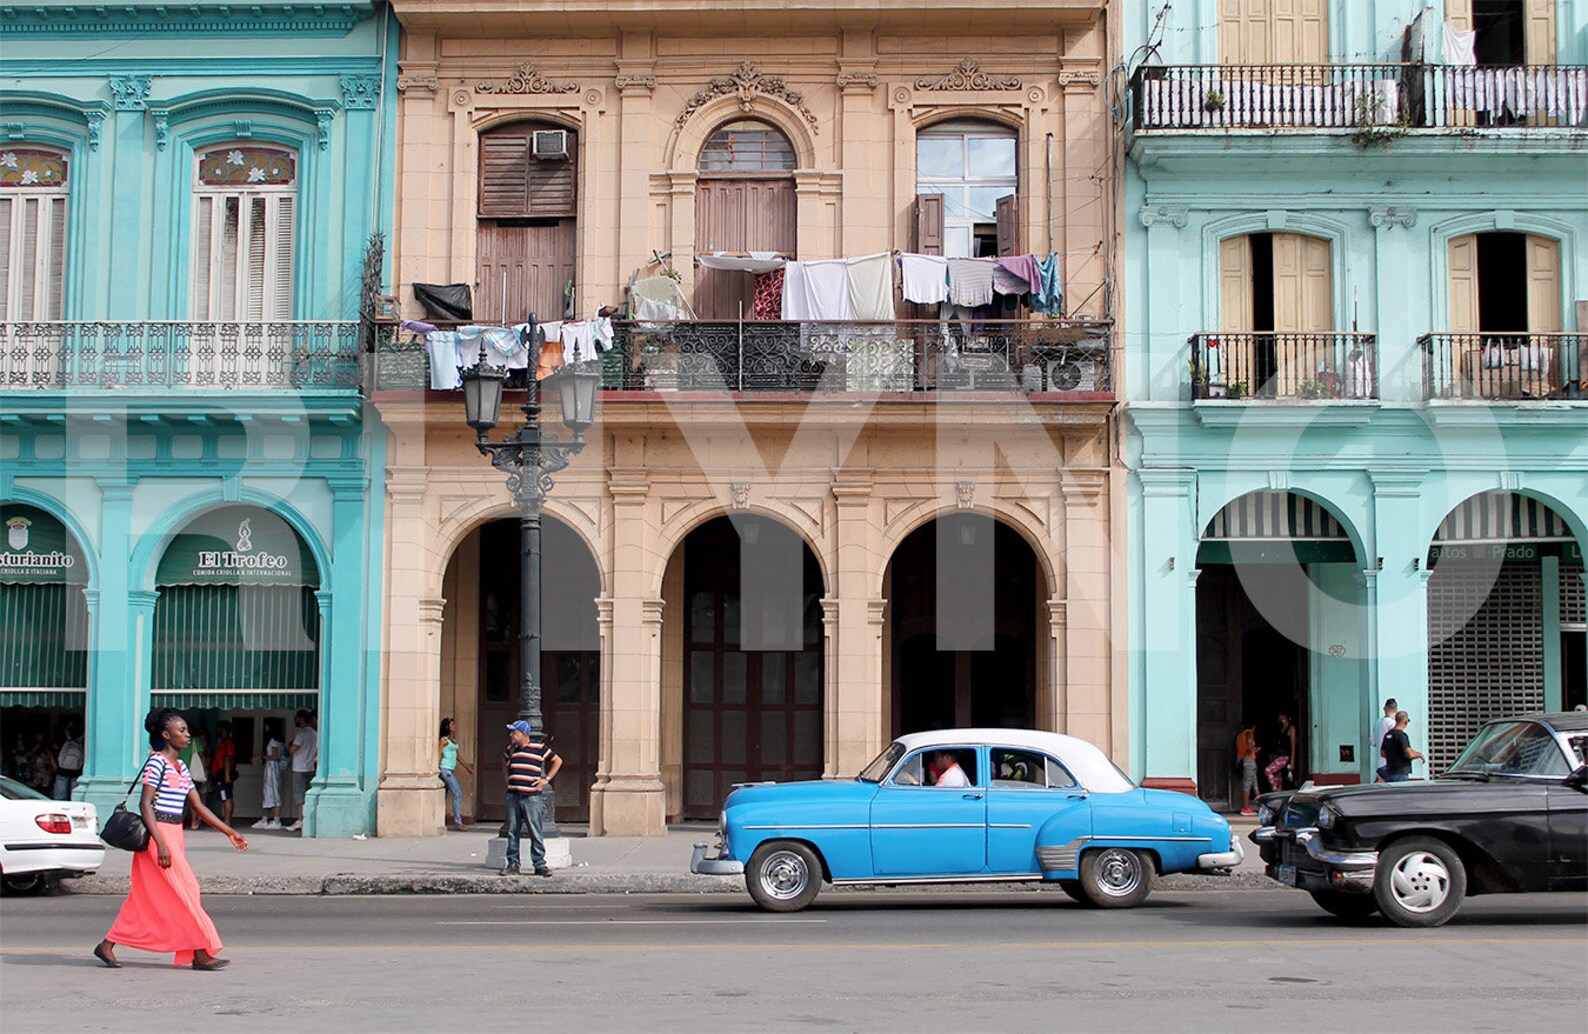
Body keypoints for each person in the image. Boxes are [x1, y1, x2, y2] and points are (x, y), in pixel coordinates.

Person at [94, 707, 247, 970]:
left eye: (187, 730)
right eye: (182, 730)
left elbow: (199, 807)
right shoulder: (156, 763)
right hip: (159, 836)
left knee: (148, 898)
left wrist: (229, 831)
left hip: (175, 835)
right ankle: (200, 953)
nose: (187, 735)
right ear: (166, 735)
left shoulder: (182, 767)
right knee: (187, 890)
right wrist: (161, 844)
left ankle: (107, 945)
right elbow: (145, 805)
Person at [499, 719, 560, 877]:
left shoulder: (539, 748)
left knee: (535, 829)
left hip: (531, 796)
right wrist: (508, 780)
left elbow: (557, 760)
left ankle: (539, 864)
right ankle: (513, 863)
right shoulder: (511, 749)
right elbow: (504, 761)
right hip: (513, 795)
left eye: (514, 732)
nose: (511, 734)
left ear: (523, 734)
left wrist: (546, 779)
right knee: (513, 829)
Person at [438, 717, 474, 831]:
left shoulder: (452, 740)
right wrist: (436, 768)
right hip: (445, 769)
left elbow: (458, 756)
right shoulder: (443, 740)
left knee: (444, 794)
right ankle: (458, 821)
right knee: (458, 793)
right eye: (452, 724)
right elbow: (438, 754)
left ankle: (441, 816)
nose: (454, 726)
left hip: (450, 769)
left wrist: (468, 767)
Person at [285, 710, 318, 832]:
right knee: (308, 793)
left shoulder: (301, 734)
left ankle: (300, 820)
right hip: (310, 767)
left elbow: (293, 749)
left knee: (299, 796)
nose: (296, 721)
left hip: (299, 768)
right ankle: (307, 818)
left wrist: (289, 746)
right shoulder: (315, 734)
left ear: (302, 719)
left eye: (297, 718)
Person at [253, 719, 285, 830]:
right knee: (268, 792)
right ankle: (265, 818)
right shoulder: (278, 741)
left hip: (272, 769)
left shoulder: (274, 741)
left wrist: (263, 757)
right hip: (272, 769)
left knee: (274, 793)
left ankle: (276, 819)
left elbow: (275, 756)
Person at [209, 722, 238, 827]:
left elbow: (227, 759)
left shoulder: (228, 743)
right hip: (221, 773)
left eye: (220, 729)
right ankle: (226, 820)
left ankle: (227, 821)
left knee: (226, 797)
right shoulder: (224, 742)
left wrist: (226, 775)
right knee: (226, 797)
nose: (218, 731)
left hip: (223, 774)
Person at [1381, 711, 1422, 783]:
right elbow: (1409, 754)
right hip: (1401, 772)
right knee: (1400, 793)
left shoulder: (1388, 734)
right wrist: (1419, 754)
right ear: (1405, 722)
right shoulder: (1401, 736)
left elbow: (1382, 753)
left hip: (1390, 771)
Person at [181, 727, 208, 831]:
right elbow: (201, 756)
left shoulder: (176, 740)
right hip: (192, 773)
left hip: (181, 771)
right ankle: (194, 822)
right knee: (192, 799)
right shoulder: (194, 741)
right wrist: (205, 770)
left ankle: (182, 821)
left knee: (186, 799)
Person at [1264, 713, 1297, 793]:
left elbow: (1293, 745)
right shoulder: (1280, 728)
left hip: (1285, 756)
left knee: (1268, 770)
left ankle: (1275, 791)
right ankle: (1278, 793)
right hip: (1277, 756)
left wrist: (1292, 761)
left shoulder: (1291, 728)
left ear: (1284, 716)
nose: (1278, 717)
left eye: (1280, 715)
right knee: (1278, 777)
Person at [1234, 719, 1260, 815]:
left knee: (1254, 782)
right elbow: (1249, 749)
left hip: (1241, 760)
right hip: (1249, 760)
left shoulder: (1240, 735)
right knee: (1248, 784)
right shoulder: (1249, 734)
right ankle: (1245, 808)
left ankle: (1257, 802)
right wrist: (1254, 749)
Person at [54, 723, 85, 800]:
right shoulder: (84, 739)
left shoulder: (62, 738)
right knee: (75, 798)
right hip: (76, 772)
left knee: (60, 797)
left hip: (62, 771)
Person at [1373, 698, 1398, 782]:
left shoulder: (1377, 723)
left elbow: (1372, 742)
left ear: (1384, 709)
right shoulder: (1392, 723)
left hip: (1379, 764)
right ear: (1396, 710)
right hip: (1389, 764)